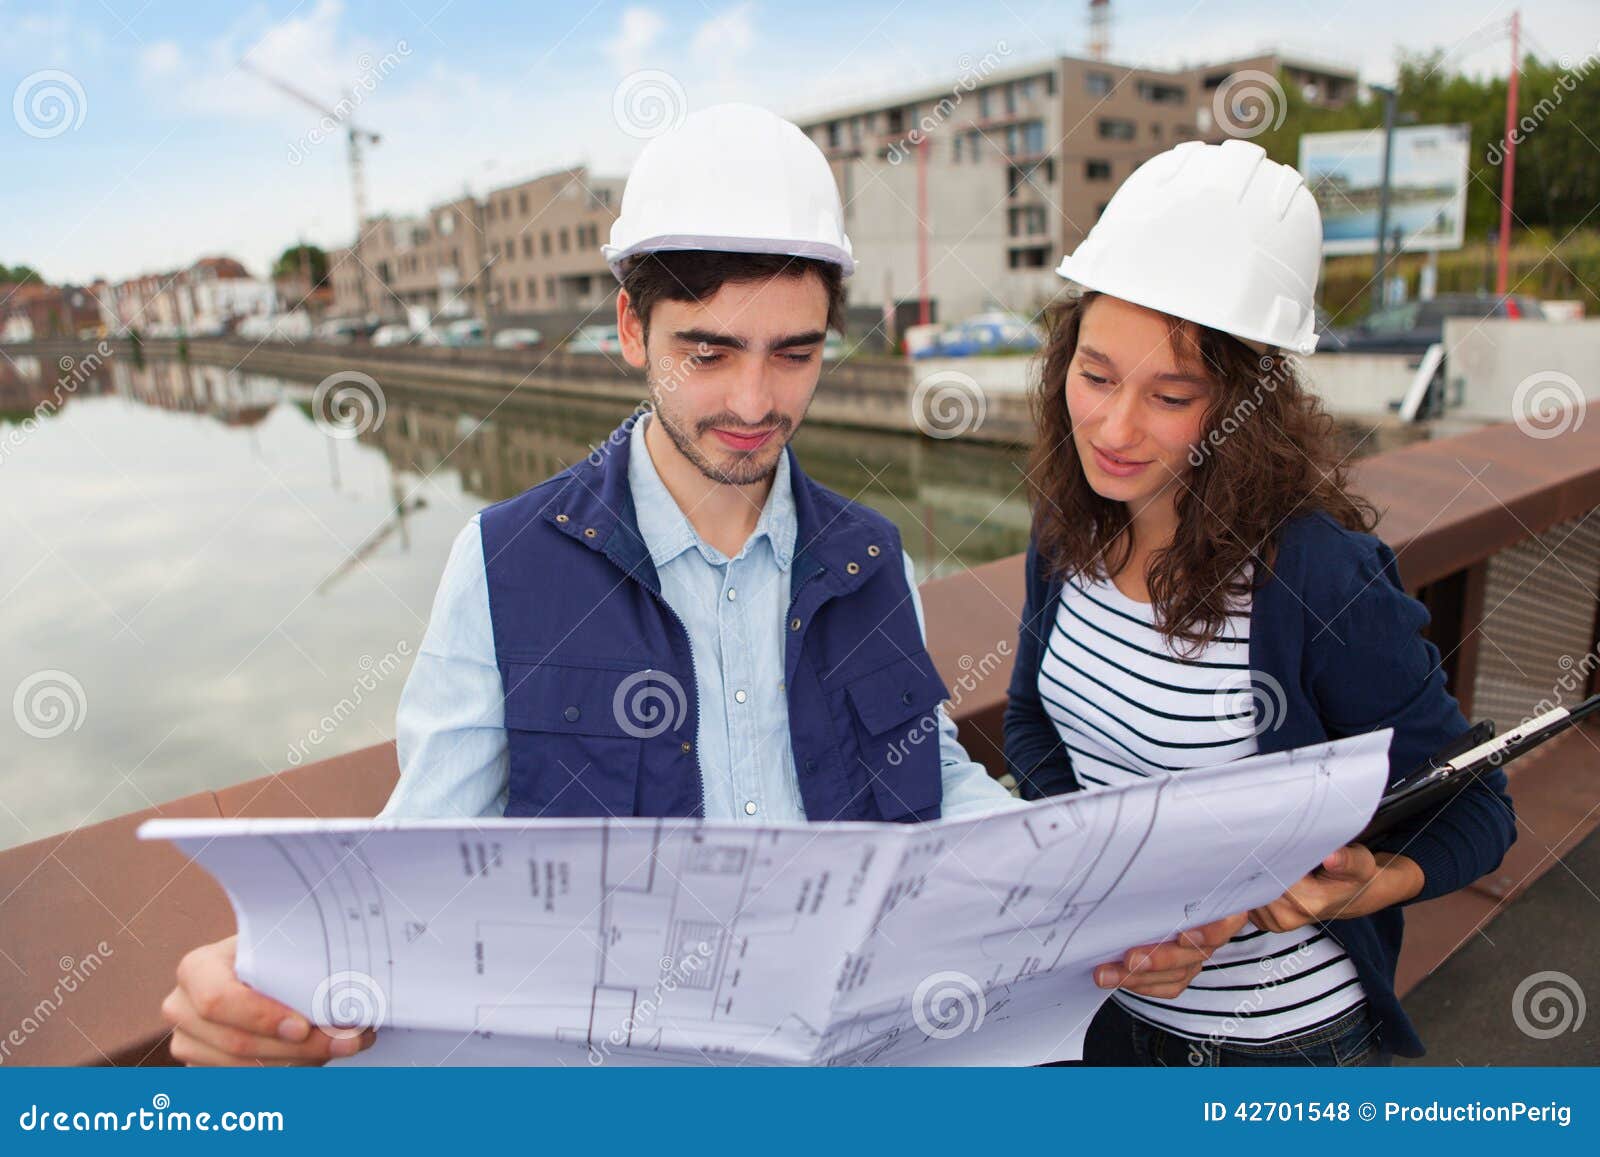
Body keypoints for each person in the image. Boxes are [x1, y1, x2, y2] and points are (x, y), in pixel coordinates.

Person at [1004, 139, 1517, 1067]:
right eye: (1094, 374)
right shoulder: (1063, 531)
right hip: (1096, 1017)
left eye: (1171, 394)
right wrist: (1111, 900)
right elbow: (1035, 730)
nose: (1114, 429)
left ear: (1247, 402)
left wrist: (1364, 885)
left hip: (1278, 1051)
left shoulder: (1318, 577)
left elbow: (1479, 805)